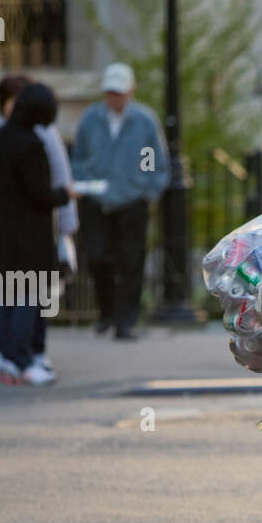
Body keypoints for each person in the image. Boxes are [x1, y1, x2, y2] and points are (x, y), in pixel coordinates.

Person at [0, 74, 78, 379]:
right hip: (32, 234)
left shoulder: (1, 136)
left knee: (7, 296)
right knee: (30, 296)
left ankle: (6, 354)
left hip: (5, 230)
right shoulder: (32, 144)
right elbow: (40, 194)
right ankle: (25, 359)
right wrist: (66, 194)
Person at [71, 62, 169, 340]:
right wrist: (84, 181)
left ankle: (126, 320)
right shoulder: (90, 118)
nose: (115, 97)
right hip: (95, 200)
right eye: (111, 92)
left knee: (131, 261)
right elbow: (78, 156)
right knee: (98, 257)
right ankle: (106, 313)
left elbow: (154, 162)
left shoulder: (145, 120)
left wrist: (146, 190)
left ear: (130, 91)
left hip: (131, 201)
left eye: (120, 92)